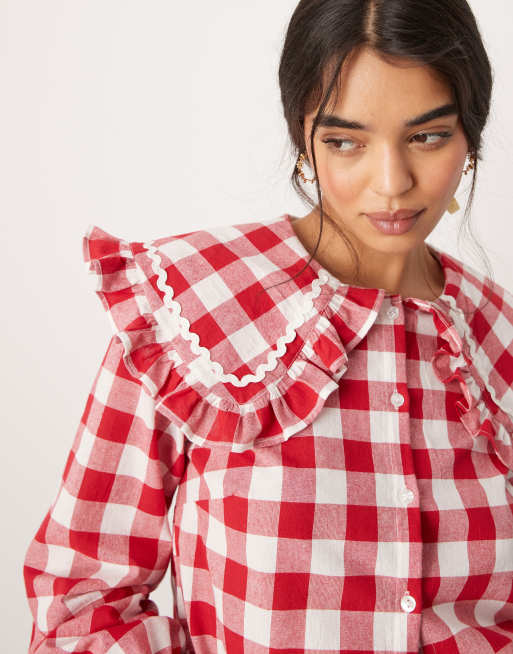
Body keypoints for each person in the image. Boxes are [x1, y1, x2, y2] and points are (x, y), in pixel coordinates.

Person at [23, 1, 513, 652]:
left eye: (427, 136)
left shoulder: (497, 336)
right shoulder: (186, 314)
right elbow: (82, 599)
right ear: (302, 138)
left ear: (470, 136)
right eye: (345, 141)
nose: (391, 183)